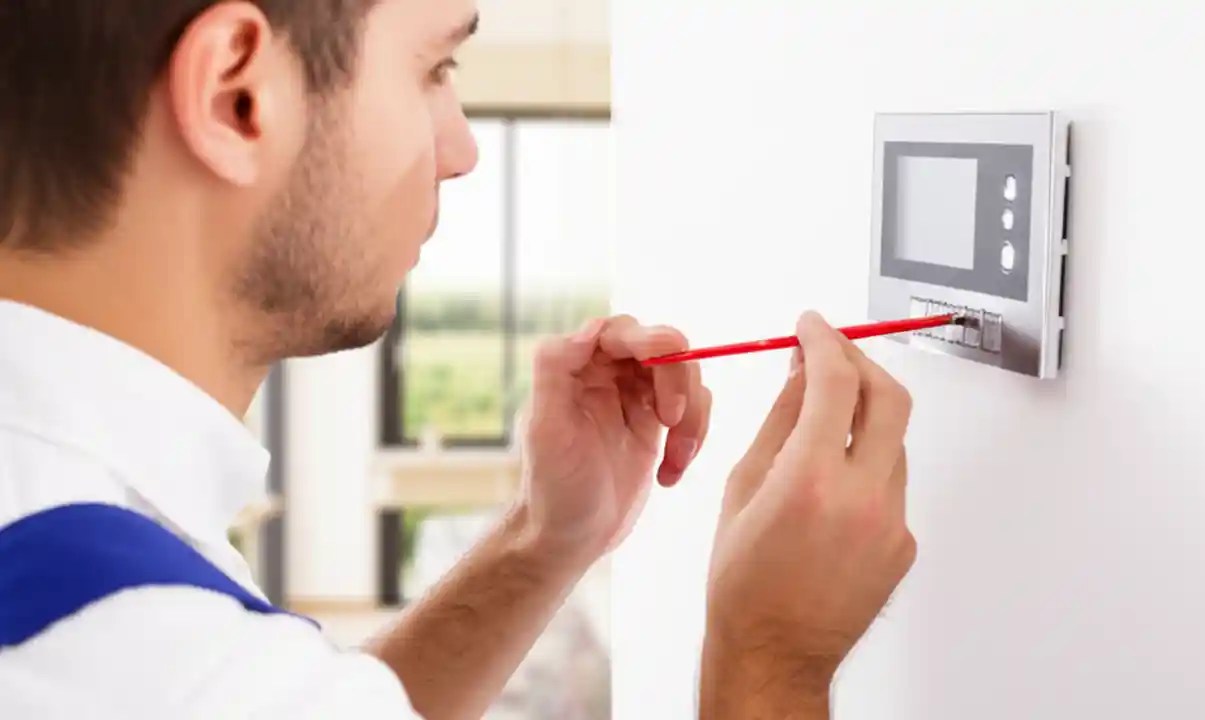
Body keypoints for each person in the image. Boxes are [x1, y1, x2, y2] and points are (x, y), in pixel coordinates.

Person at [0, 1, 917, 717]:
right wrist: (771, 660)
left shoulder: (79, 556)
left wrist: (546, 540)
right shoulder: (139, 661)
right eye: (435, 67)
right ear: (235, 97)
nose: (464, 148)